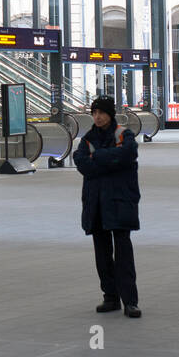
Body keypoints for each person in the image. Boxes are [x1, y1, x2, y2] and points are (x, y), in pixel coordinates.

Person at [73, 96, 141, 318]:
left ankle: (130, 300)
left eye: (101, 112)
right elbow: (83, 163)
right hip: (97, 204)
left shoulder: (123, 134)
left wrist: (98, 157)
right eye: (94, 113)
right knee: (102, 254)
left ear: (110, 114)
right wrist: (110, 162)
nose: (98, 117)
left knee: (123, 253)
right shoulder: (87, 139)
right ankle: (110, 297)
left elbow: (128, 155)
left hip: (120, 201)